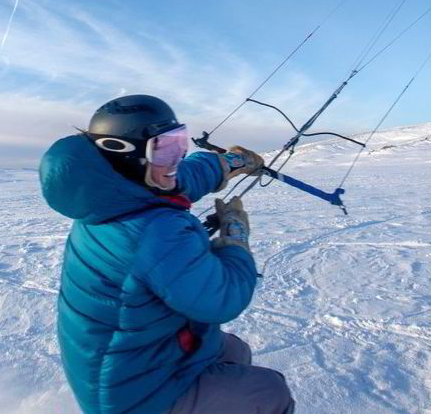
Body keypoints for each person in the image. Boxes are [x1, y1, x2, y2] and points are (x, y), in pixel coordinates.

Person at [40, 94, 295, 414]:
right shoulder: (152, 231)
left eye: (178, 143)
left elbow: (183, 177)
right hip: (135, 396)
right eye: (165, 149)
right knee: (269, 392)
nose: (178, 157)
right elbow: (223, 297)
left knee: (234, 351)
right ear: (127, 155)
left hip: (138, 359)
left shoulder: (111, 191)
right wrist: (235, 237)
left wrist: (231, 162)